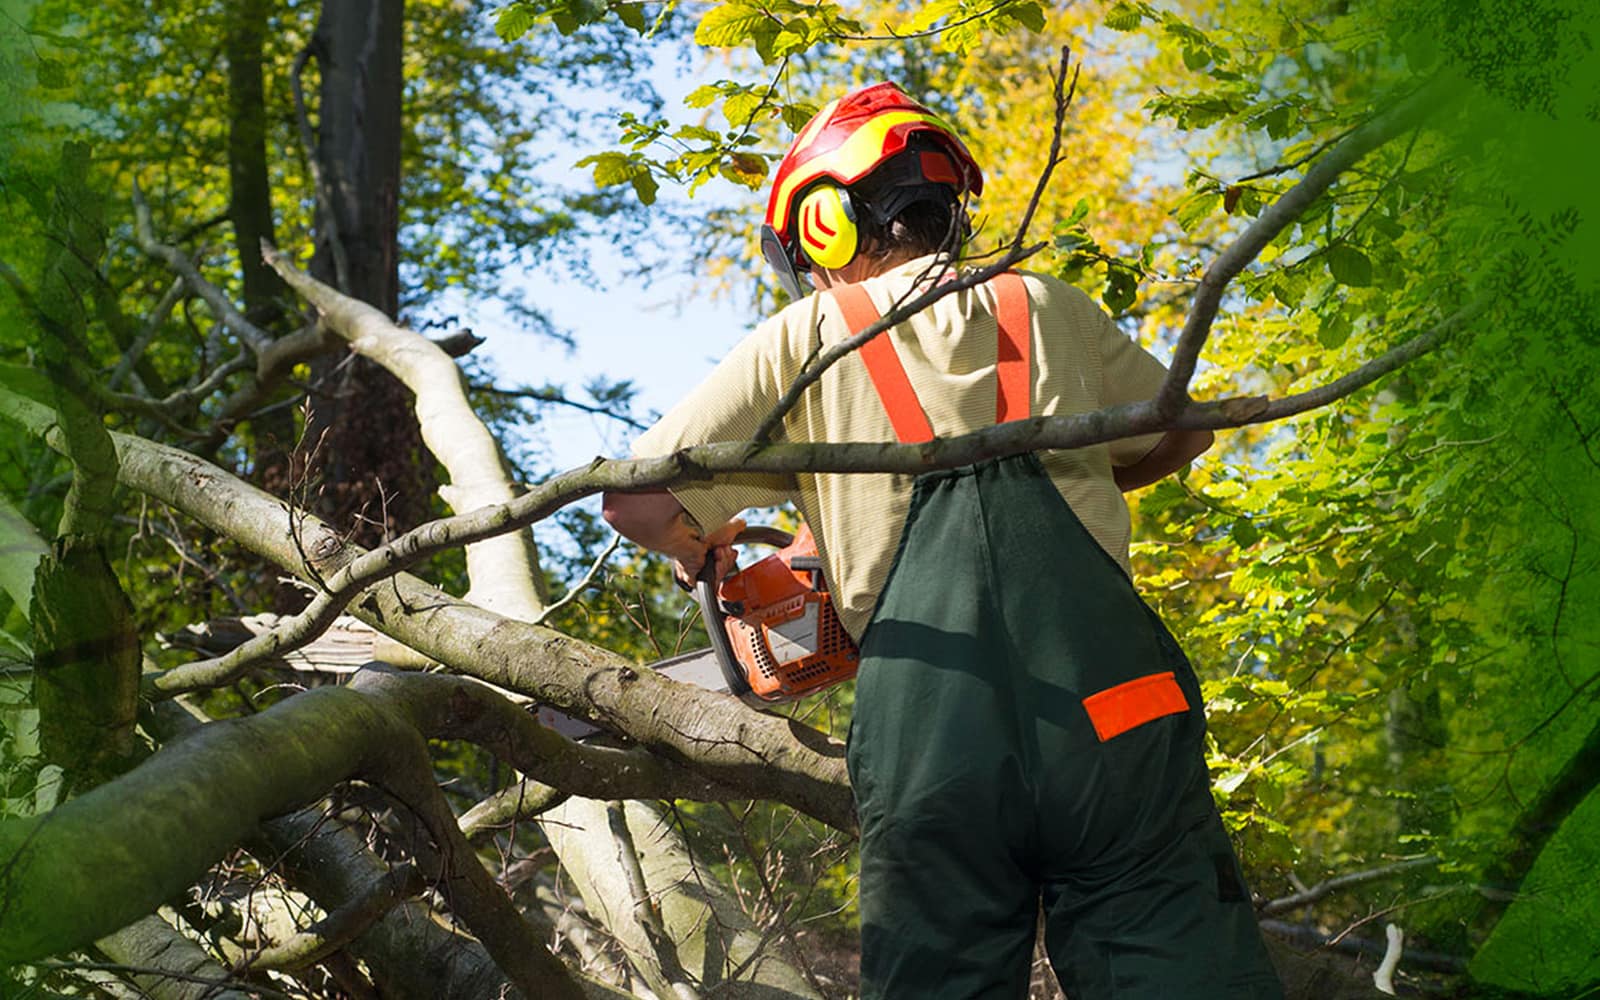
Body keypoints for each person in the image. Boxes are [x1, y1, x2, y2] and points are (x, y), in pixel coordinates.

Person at [602, 82, 1284, 999]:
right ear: (944, 204)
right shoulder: (1045, 304)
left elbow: (636, 500)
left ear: (826, 224)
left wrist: (708, 549)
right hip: (1113, 714)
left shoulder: (807, 337)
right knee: (1176, 961)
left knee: (938, 978)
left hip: (938, 739)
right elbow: (1182, 432)